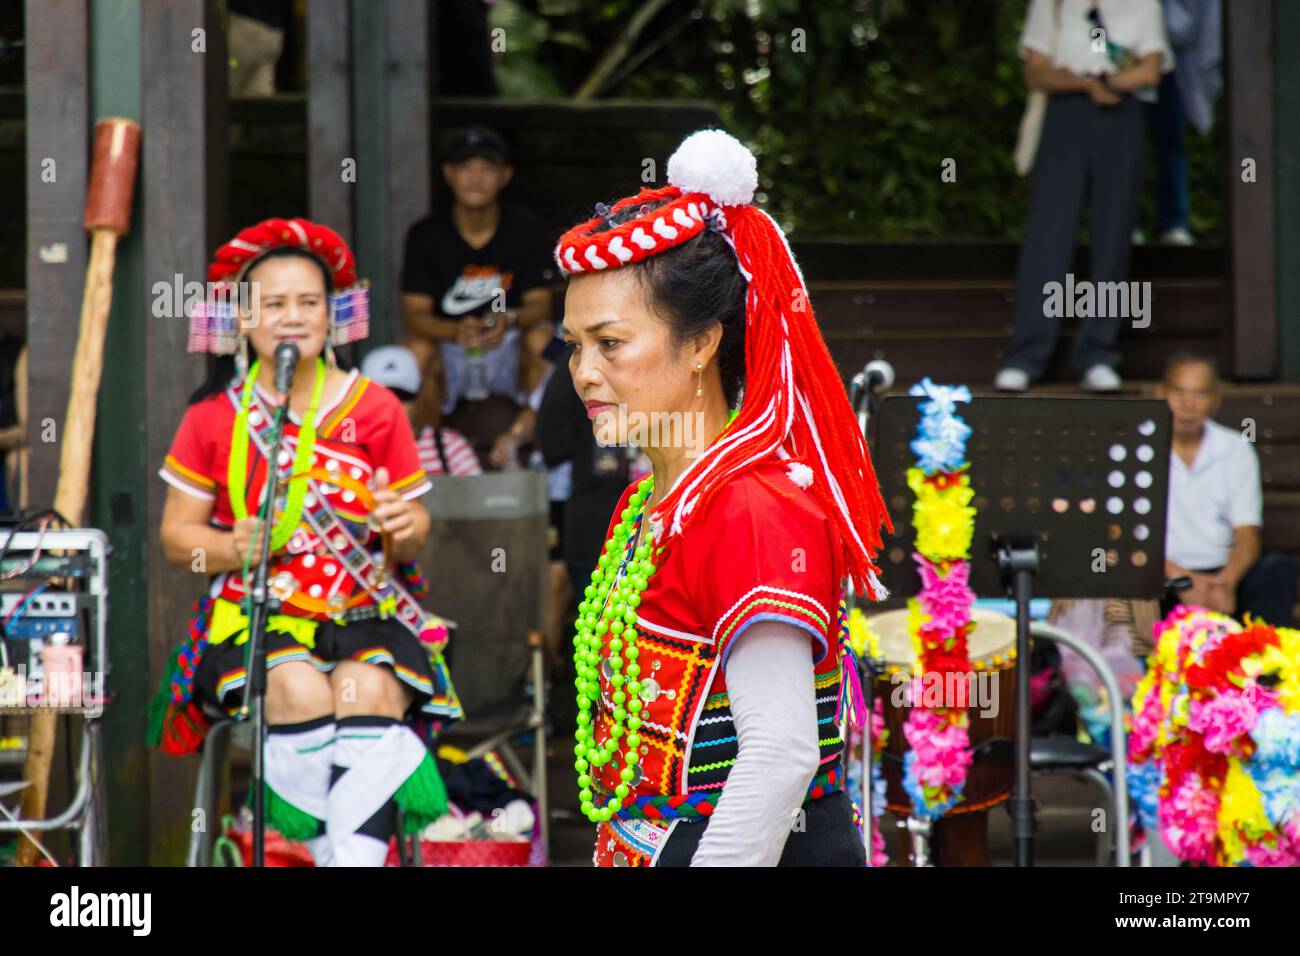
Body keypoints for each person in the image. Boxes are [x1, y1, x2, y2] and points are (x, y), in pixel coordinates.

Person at [555, 129, 892, 867]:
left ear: (703, 343)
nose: (583, 371)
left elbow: (780, 755)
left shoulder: (750, 507)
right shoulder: (648, 500)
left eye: (610, 343)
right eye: (575, 345)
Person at [152, 218, 461, 867]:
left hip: (366, 611)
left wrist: (404, 528)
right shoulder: (212, 418)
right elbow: (179, 542)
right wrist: (234, 547)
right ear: (242, 318)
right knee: (297, 689)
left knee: (370, 690)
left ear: (333, 315)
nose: (293, 317)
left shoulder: (376, 408)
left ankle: (334, 857)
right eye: (274, 303)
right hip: (258, 617)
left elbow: (415, 535)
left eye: (309, 303)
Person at [996, 0, 1172, 393]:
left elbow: (1152, 68)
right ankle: (1026, 355)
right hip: (1067, 112)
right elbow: (1036, 71)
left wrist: (1108, 83)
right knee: (1049, 233)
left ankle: (1098, 353)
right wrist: (1084, 83)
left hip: (1122, 113)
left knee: (1113, 236)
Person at [399, 126, 555, 471]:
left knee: (549, 340)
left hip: (507, 346)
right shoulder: (426, 234)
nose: (476, 177)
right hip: (451, 350)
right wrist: (454, 330)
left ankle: (531, 440)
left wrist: (509, 319)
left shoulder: (525, 229)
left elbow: (542, 305)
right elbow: (414, 315)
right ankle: (432, 456)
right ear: (449, 174)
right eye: (466, 167)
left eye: (486, 168)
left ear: (505, 175)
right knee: (412, 352)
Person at [1161, 352, 1296, 626]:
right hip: (1162, 573)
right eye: (1179, 393)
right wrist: (1180, 581)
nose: (1188, 405)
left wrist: (1226, 582)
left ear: (1215, 401)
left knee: (1277, 570)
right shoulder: (1137, 448)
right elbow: (1120, 532)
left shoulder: (1235, 448)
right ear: (1161, 393)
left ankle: (1263, 667)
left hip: (1219, 573)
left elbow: (1247, 534)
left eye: (1199, 394)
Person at [1142, 0, 1221, 246]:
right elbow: (1095, 25)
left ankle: (1174, 222)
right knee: (1123, 147)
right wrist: (1101, 61)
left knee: (1171, 138)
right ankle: (1124, 223)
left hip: (1166, 61)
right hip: (1121, 65)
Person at [360, 345, 482, 478]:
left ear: (418, 396)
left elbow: (477, 496)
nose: (392, 405)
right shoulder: (348, 452)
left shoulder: (451, 447)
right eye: (382, 396)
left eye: (402, 395)